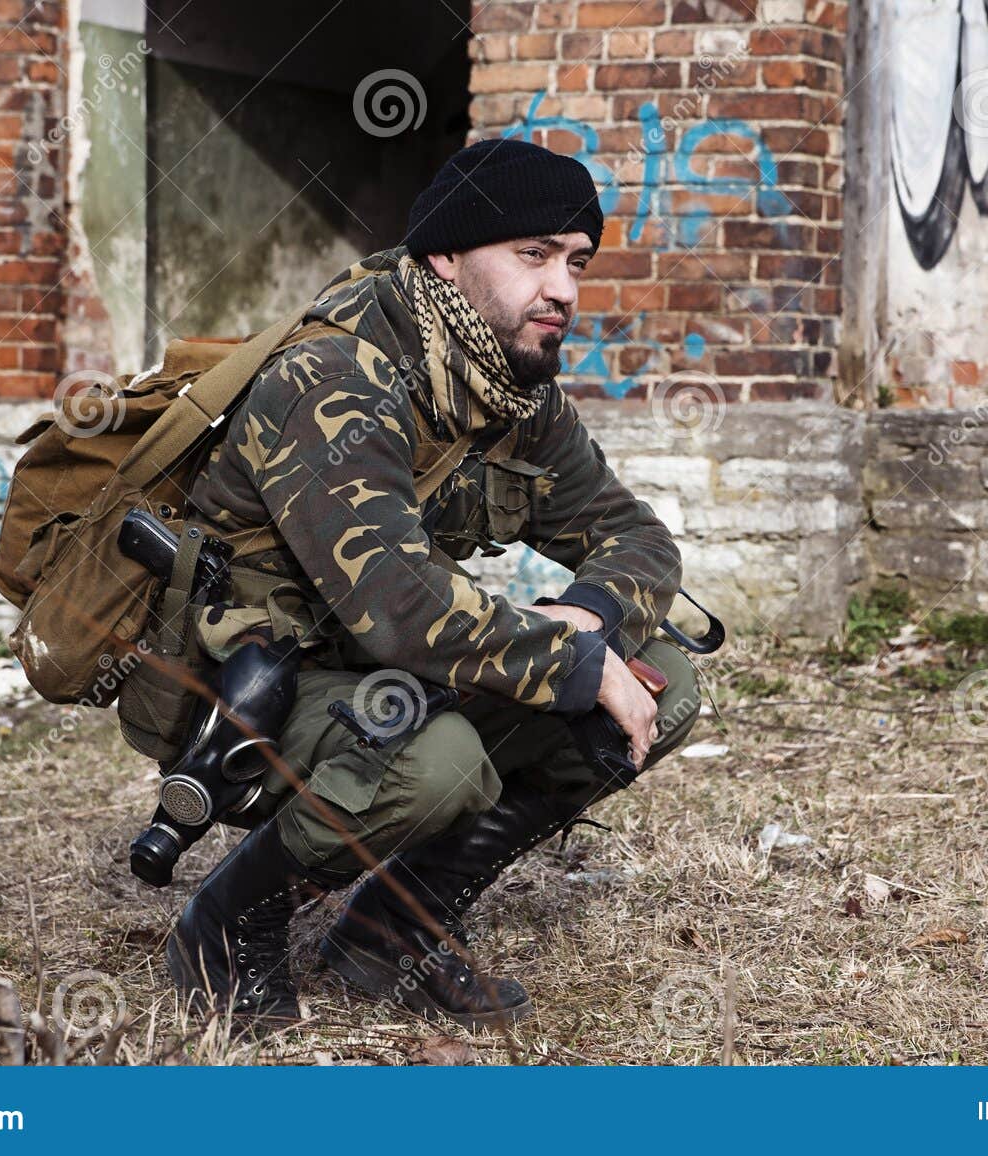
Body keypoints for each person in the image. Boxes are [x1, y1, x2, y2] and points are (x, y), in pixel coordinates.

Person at [164, 137, 702, 1030]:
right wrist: (572, 660)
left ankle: (391, 928)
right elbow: (401, 608)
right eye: (532, 256)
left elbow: (636, 535)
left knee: (663, 685)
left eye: (575, 261)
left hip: (382, 668)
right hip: (249, 683)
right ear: (444, 259)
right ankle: (225, 924)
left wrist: (591, 618)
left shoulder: (509, 386)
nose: (563, 289)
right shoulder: (331, 379)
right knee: (435, 764)